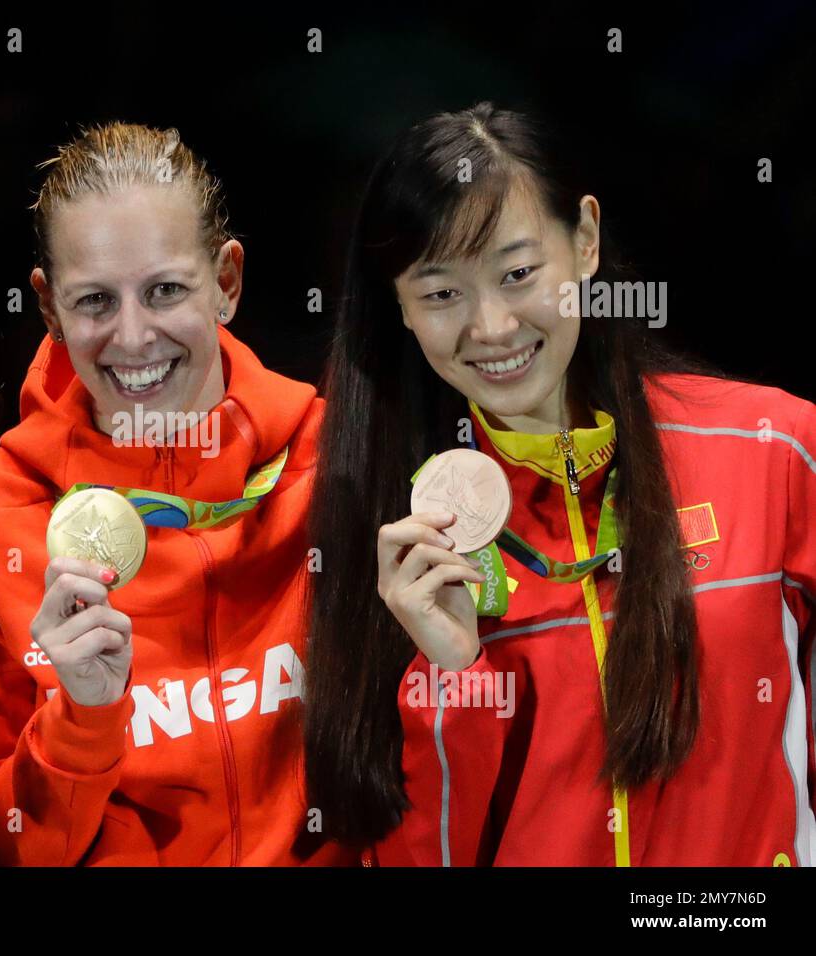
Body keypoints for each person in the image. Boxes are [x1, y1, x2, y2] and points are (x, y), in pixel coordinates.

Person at [303, 102, 816, 867]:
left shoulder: (772, 448)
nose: (494, 328)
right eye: (442, 293)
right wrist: (451, 675)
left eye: (517, 274)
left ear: (585, 241)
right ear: (400, 307)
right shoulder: (392, 530)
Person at [0, 122, 354, 865]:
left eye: (164, 290)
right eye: (94, 301)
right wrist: (82, 720)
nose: (132, 338)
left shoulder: (337, 462)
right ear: (49, 307)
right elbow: (2, 844)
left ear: (227, 281)